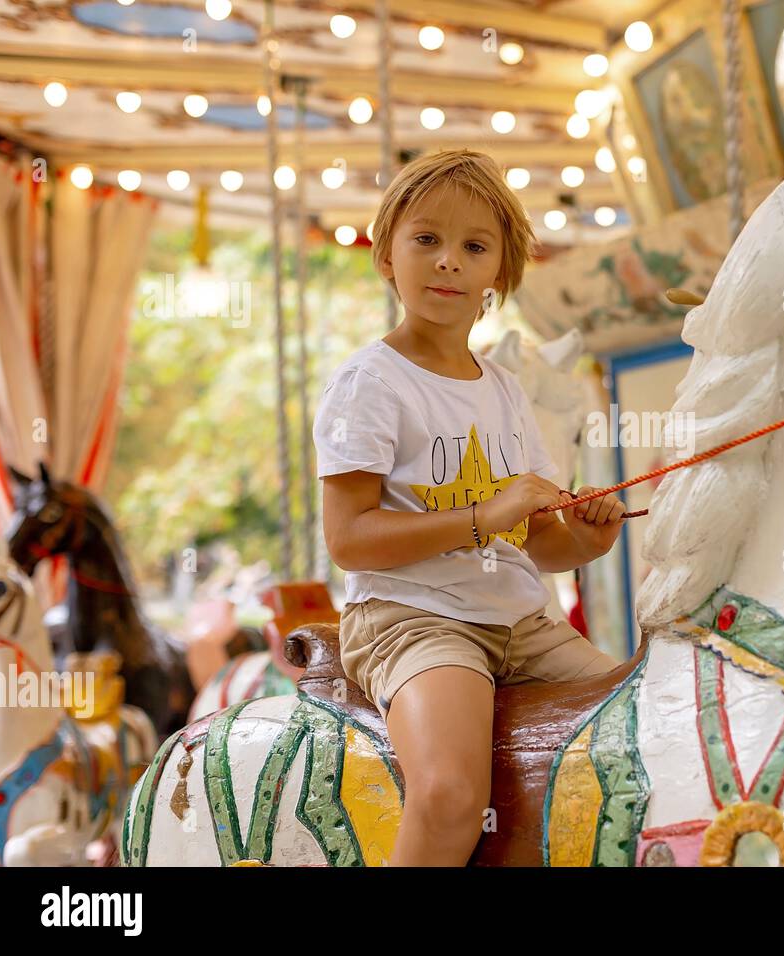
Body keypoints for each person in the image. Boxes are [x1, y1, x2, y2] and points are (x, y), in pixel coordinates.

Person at [312, 149, 624, 866]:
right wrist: (487, 514)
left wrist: (582, 539)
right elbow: (351, 539)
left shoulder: (505, 388)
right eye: (426, 239)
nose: (448, 261)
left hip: (522, 623)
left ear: (499, 275)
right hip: (412, 619)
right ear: (386, 253)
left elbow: (536, 542)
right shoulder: (370, 383)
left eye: (474, 247)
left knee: (641, 732)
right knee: (451, 796)